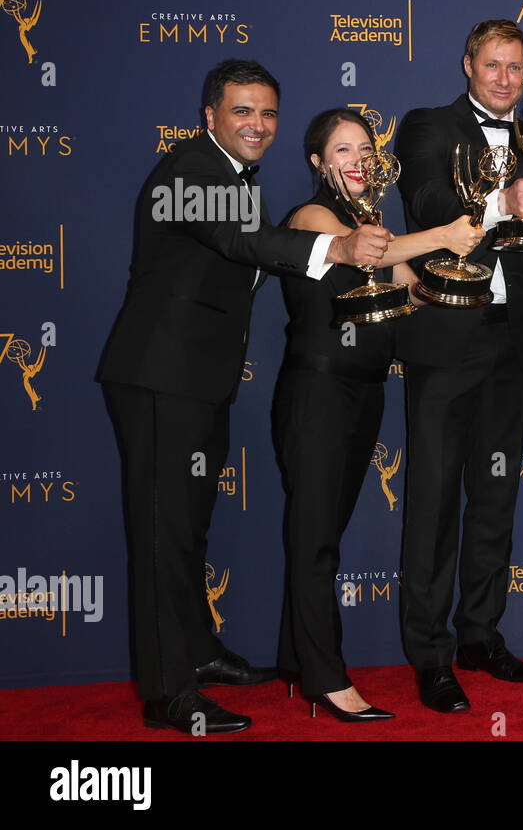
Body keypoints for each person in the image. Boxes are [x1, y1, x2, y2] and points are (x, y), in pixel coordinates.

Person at [97, 60, 391, 733]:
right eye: (242, 112)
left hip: (197, 382)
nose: (257, 124)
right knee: (164, 532)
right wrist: (337, 245)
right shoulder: (188, 172)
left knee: (188, 527)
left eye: (267, 113)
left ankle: (197, 653)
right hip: (158, 378)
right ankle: (169, 692)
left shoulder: (232, 179)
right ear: (210, 117)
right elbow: (248, 241)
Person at [273, 108, 481, 722]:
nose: (358, 160)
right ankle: (327, 678)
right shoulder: (314, 217)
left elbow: (411, 289)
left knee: (322, 534)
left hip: (365, 391)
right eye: (342, 150)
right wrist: (444, 233)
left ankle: (295, 662)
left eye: (365, 148)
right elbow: (373, 255)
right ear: (318, 163)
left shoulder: (375, 225)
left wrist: (464, 276)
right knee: (314, 541)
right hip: (317, 391)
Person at [392, 19, 523, 713]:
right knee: (431, 502)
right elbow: (425, 207)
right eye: (493, 65)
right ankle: (430, 655)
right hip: (446, 341)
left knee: (494, 498)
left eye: (516, 67)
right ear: (467, 65)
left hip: (513, 342)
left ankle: (481, 633)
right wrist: (499, 202)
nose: (505, 79)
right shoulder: (428, 126)